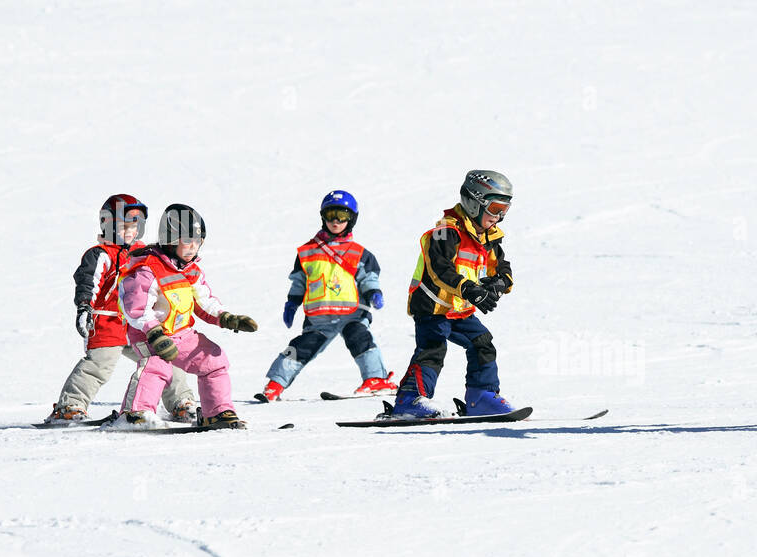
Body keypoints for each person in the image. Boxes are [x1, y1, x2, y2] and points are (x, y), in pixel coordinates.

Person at [45, 194, 196, 423]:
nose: (130, 232)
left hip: (138, 323)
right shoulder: (101, 254)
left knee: (163, 357)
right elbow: (88, 281)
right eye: (123, 226)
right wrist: (84, 307)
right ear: (107, 225)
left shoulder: (144, 253)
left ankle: (181, 404)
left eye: (135, 226)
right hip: (109, 322)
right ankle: (70, 407)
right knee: (99, 364)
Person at [115, 204, 257, 428]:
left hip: (182, 335)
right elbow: (135, 307)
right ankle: (136, 413)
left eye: (198, 242)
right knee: (157, 365)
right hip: (149, 335)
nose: (193, 247)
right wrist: (155, 333)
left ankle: (217, 413)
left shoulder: (190, 270)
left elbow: (203, 302)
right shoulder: (148, 269)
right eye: (187, 241)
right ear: (170, 239)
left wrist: (227, 318)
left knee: (214, 360)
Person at [391, 170, 516, 418]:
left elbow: (501, 267)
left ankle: (481, 397)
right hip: (432, 306)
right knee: (433, 349)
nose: (499, 217)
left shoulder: (487, 238)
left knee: (482, 343)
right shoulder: (445, 232)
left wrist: (499, 284)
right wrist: (469, 288)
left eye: (505, 210)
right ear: (473, 203)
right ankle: (409, 400)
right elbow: (439, 269)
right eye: (495, 208)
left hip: (459, 309)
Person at [260, 190, 395, 401]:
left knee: (360, 340)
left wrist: (374, 292)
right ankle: (275, 384)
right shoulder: (307, 251)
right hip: (319, 317)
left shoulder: (359, 253)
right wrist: (291, 303)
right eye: (331, 214)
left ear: (352, 219)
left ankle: (376, 379)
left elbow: (368, 277)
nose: (335, 221)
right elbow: (299, 281)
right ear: (323, 216)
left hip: (351, 313)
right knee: (299, 348)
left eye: (342, 216)